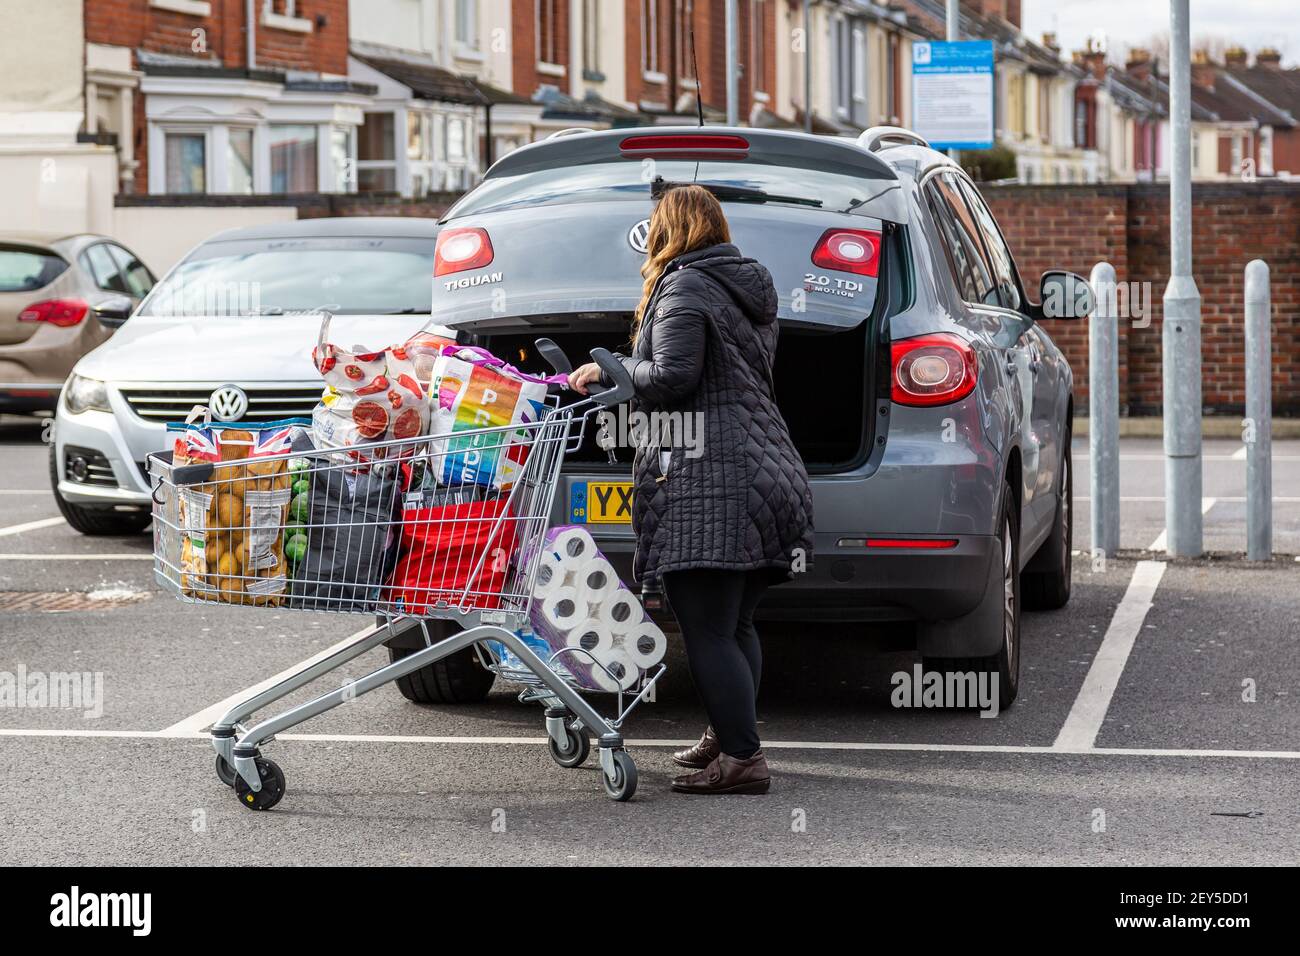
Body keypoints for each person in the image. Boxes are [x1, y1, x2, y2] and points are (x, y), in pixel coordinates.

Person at [569, 184, 813, 795]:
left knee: (706, 627)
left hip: (711, 477)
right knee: (734, 625)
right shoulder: (743, 287)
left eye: (653, 225)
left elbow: (676, 377)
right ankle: (729, 735)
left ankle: (742, 759)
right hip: (766, 469)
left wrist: (610, 372)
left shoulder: (681, 286)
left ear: (667, 229)